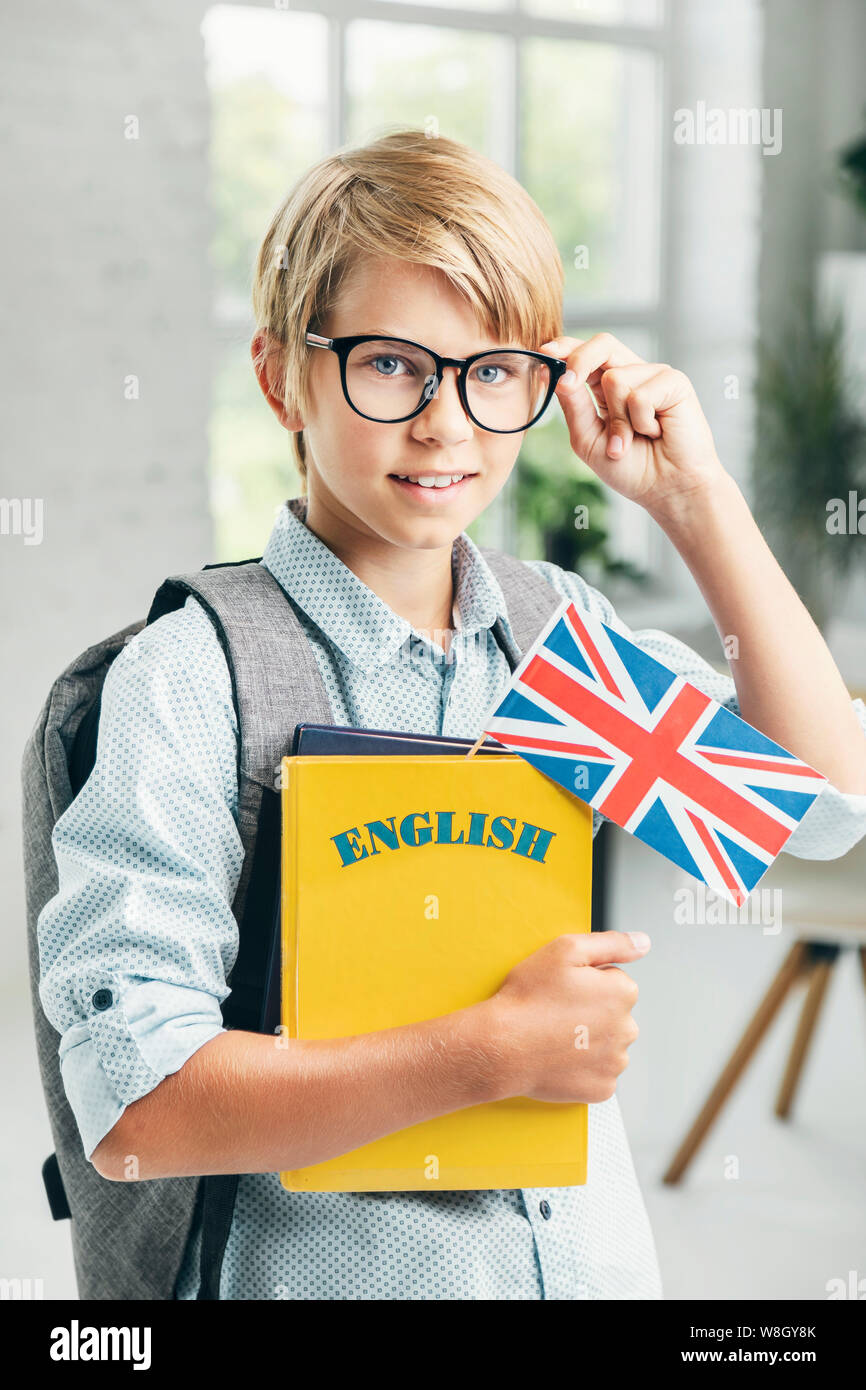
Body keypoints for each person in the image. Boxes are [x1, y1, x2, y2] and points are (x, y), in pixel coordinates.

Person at [37, 129, 866, 1301]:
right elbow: (134, 1115)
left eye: (491, 371)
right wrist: (487, 1054)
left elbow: (817, 813)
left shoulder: (552, 649)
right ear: (281, 377)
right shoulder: (192, 680)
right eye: (389, 365)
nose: (445, 424)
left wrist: (695, 501)